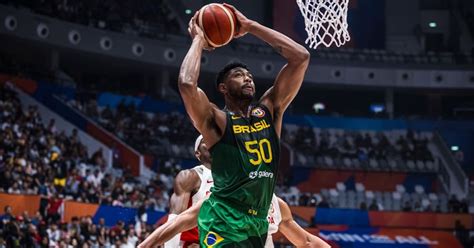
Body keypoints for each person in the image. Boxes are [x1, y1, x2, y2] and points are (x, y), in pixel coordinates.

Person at [178, 3, 309, 246]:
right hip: (223, 220)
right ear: (223, 88)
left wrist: (251, 26)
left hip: (257, 221)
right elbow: (187, 85)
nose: (247, 77)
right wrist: (198, 39)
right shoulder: (217, 121)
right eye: (238, 75)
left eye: (249, 75)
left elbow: (300, 57)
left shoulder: (269, 110)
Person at [138, 194, 330, 248]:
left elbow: (306, 242)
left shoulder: (276, 205)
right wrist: (147, 244)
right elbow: (179, 221)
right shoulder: (218, 198)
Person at [163, 135, 212, 247]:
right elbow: (174, 220)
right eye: (205, 141)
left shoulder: (233, 178)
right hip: (194, 243)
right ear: (197, 153)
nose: (211, 142)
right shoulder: (190, 176)